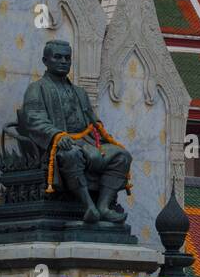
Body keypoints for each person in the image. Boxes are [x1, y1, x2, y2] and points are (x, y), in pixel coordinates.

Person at [21, 39, 131, 224]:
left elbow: (93, 121)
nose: (63, 61)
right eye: (58, 57)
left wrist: (101, 133)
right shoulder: (37, 89)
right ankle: (88, 206)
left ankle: (103, 206)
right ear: (45, 60)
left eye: (67, 58)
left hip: (86, 142)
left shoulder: (80, 92)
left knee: (122, 155)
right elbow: (34, 119)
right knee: (71, 154)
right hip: (58, 144)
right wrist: (56, 134)